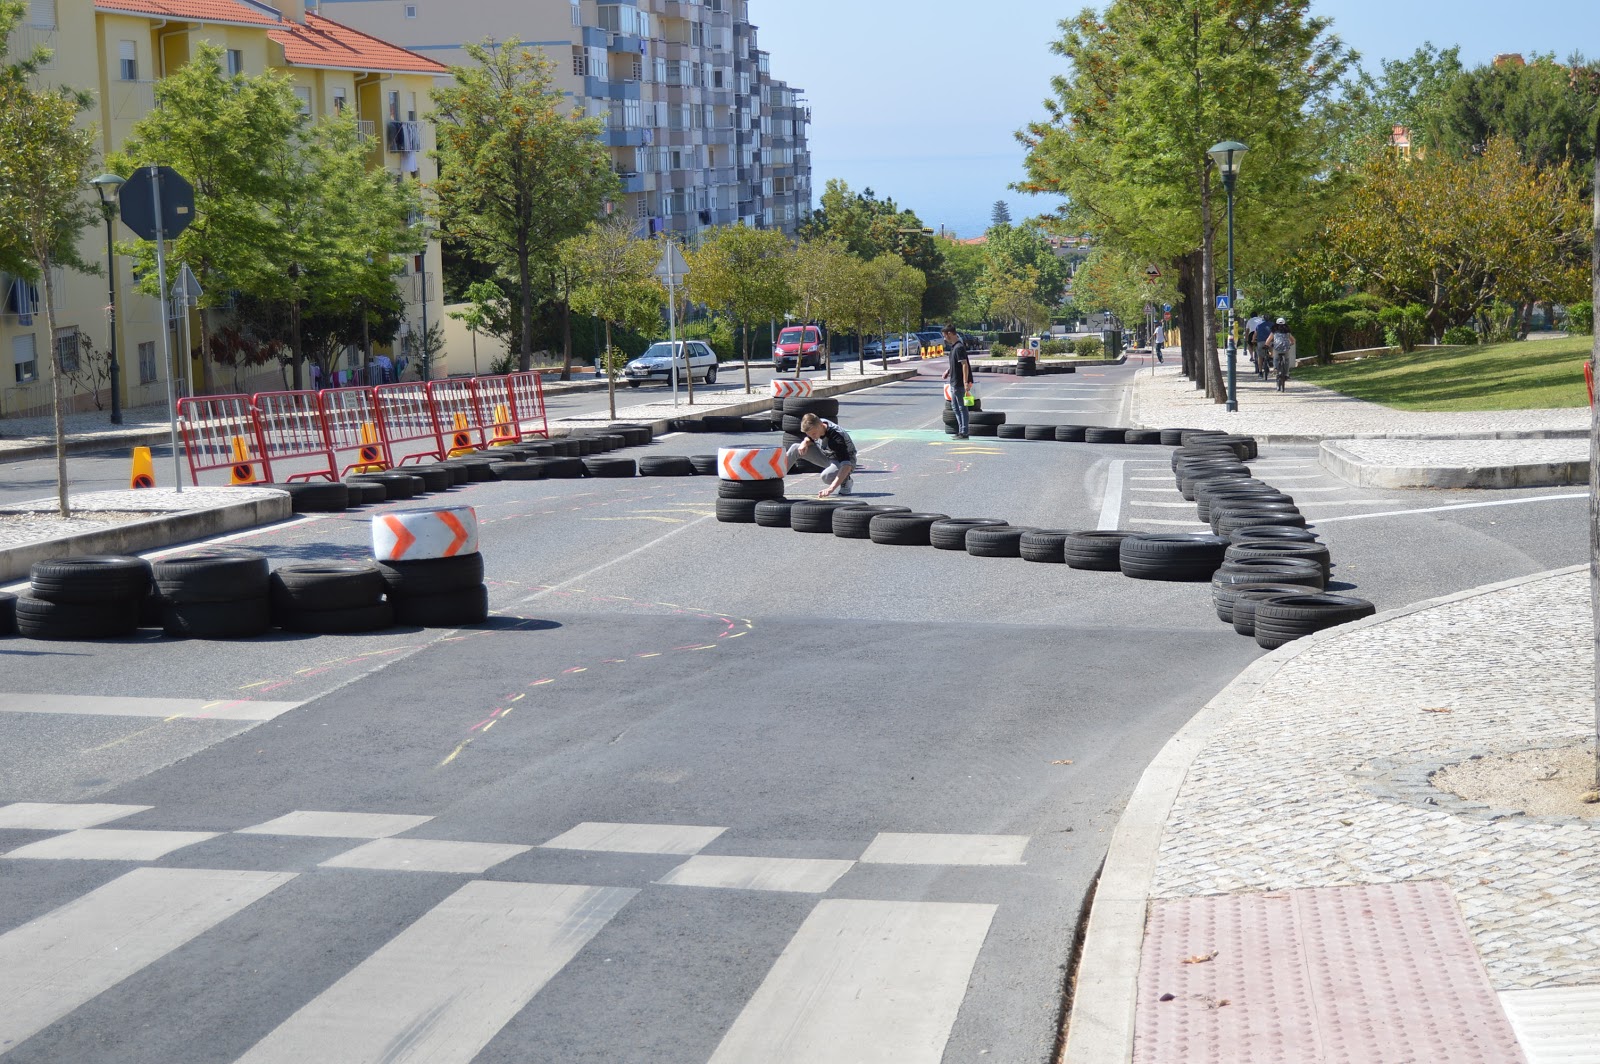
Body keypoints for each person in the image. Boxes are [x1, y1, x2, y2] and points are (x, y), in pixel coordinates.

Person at [785, 412, 857, 497]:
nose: (812, 436)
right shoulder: (817, 425)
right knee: (795, 448)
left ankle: (845, 480)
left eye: (814, 434)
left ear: (820, 425)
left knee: (826, 476)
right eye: (809, 434)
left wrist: (830, 489)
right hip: (827, 455)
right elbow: (810, 437)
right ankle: (776, 477)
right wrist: (805, 442)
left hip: (846, 462)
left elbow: (846, 465)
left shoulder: (836, 439)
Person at [940, 324, 971, 439]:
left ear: (949, 334)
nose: (944, 338)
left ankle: (964, 431)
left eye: (944, 335)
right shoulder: (954, 347)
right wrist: (948, 371)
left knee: (962, 407)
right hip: (953, 381)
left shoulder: (959, 347)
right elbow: (956, 364)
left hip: (959, 382)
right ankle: (961, 429)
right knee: (955, 407)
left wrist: (965, 381)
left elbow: (964, 365)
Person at [1269, 318, 1295, 392]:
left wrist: (1266, 345)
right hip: (1286, 348)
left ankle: (1276, 368)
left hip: (1277, 347)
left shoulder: (1274, 332)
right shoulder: (1287, 332)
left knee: (1276, 358)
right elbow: (1293, 341)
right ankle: (1286, 374)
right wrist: (1291, 344)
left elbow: (1268, 340)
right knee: (1286, 360)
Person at [1253, 315, 1274, 379]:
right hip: (1270, 341)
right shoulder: (1273, 325)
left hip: (1261, 342)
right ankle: (1270, 358)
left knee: (1260, 356)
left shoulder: (1259, 325)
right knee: (1271, 348)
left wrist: (1253, 340)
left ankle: (1260, 372)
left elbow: (1255, 334)